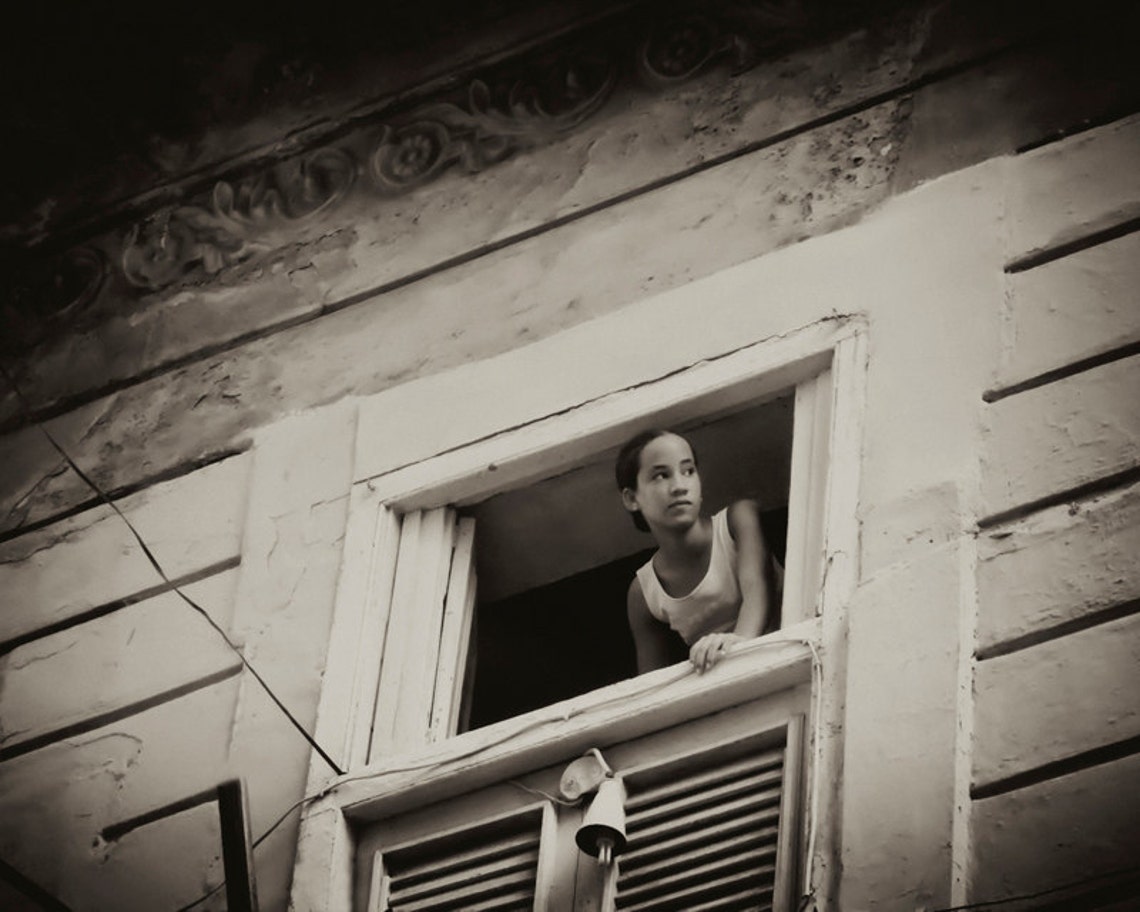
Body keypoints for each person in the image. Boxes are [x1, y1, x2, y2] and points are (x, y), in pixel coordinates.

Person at [615, 428, 779, 675]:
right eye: (661, 476)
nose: (680, 486)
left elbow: (757, 594)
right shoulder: (643, 593)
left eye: (688, 471)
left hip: (782, 655)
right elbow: (650, 684)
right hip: (724, 684)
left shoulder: (738, 520)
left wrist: (737, 643)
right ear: (631, 499)